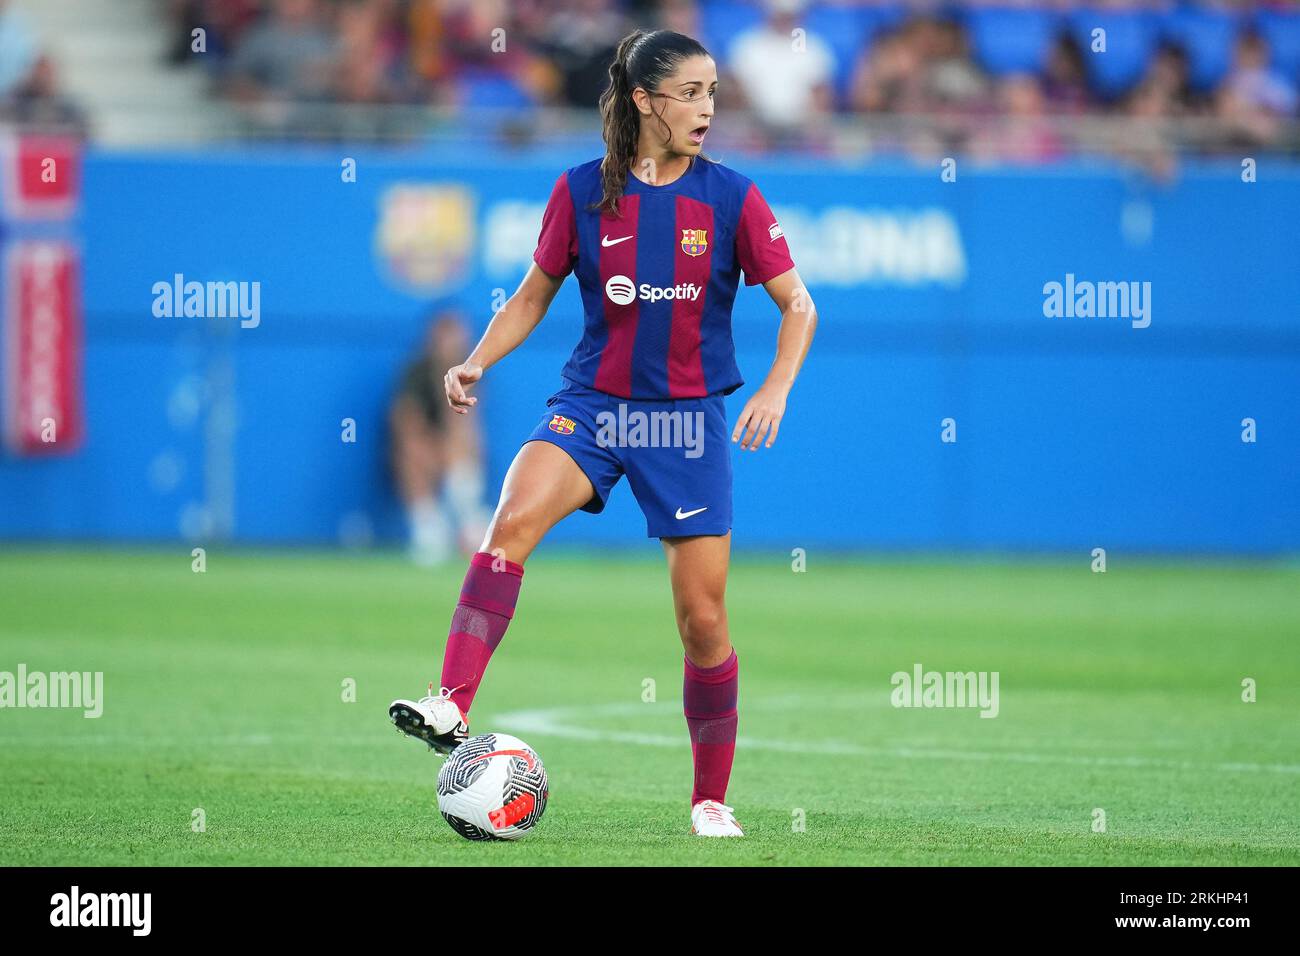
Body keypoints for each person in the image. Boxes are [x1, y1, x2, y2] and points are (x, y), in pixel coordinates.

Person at [389, 29, 817, 838]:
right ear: (647, 100)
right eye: (691, 92)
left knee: (702, 621)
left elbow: (798, 304)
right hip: (594, 407)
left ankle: (709, 799)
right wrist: (476, 361)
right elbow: (529, 297)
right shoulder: (582, 192)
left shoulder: (733, 198)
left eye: (715, 91)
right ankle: (451, 701)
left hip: (686, 424)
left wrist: (775, 389)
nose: (708, 108)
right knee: (509, 522)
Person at [389, 310, 492, 564]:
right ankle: (429, 527)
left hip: (455, 456)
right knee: (412, 449)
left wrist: (451, 452)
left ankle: (468, 517)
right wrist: (431, 450)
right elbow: (406, 422)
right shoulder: (415, 372)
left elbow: (468, 427)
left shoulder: (471, 372)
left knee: (461, 442)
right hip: (422, 451)